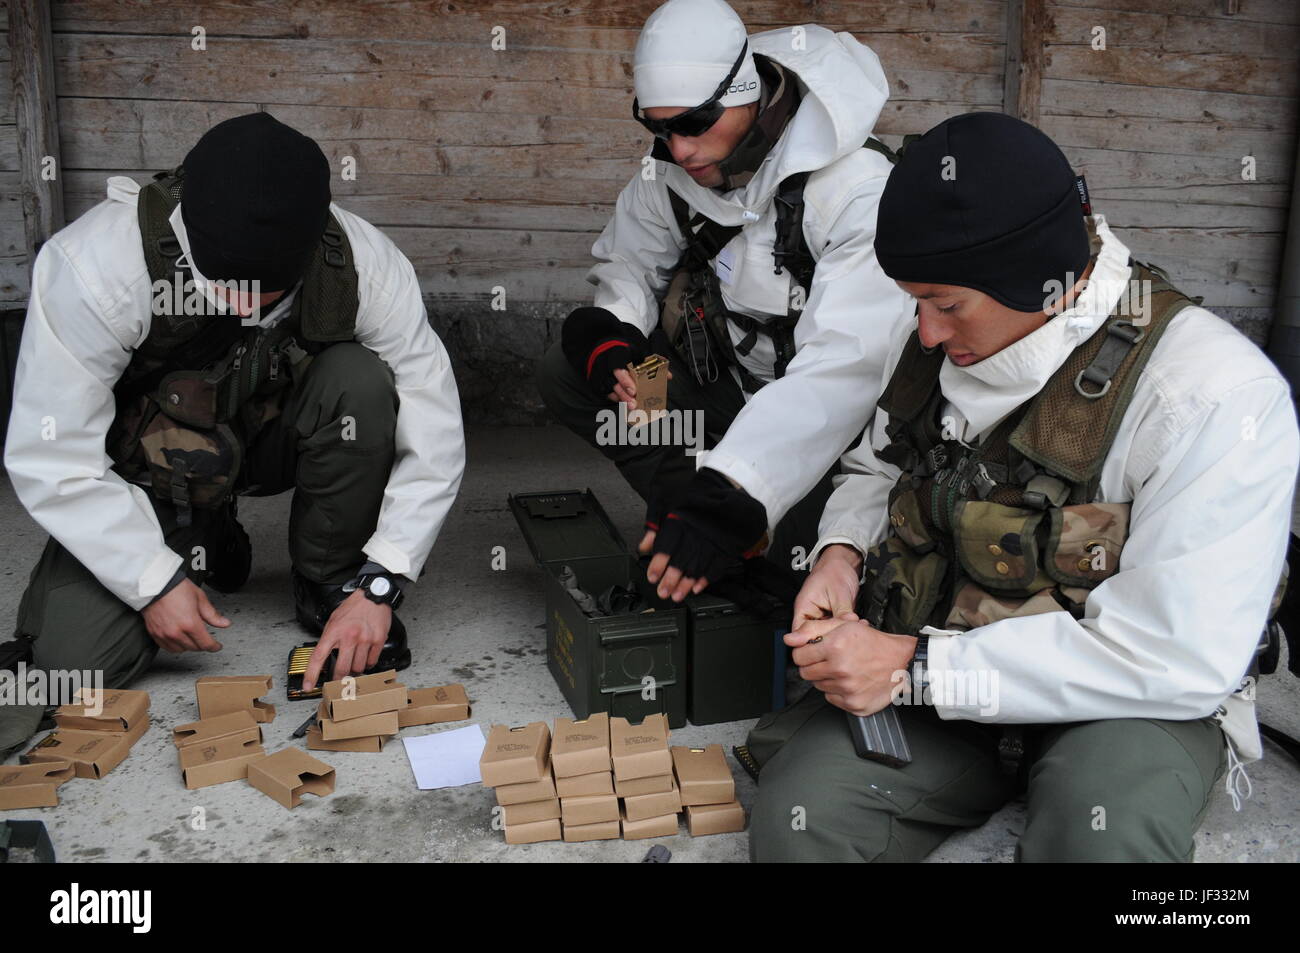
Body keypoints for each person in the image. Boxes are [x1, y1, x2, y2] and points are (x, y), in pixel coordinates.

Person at [746, 112, 1298, 862]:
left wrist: (916, 669)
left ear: (1037, 280)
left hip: (1125, 698)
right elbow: (885, 460)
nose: (927, 332)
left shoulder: (1210, 395)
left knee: (1102, 836)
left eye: (945, 303)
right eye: (915, 301)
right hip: (938, 656)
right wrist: (843, 550)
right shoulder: (936, 336)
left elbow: (1177, 655)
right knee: (803, 818)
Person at [1, 113, 465, 755]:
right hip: (157, 471)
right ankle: (199, 535)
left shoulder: (363, 264)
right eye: (225, 286)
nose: (245, 308)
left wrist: (382, 581)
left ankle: (330, 576)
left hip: (277, 439)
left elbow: (435, 423)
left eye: (266, 291)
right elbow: (51, 454)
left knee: (360, 380)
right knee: (69, 667)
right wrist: (151, 579)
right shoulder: (94, 268)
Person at [537, 0, 911, 602]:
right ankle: (682, 481)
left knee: (794, 566)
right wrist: (614, 339)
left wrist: (738, 493)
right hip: (720, 382)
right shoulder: (672, 170)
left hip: (832, 422)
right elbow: (630, 267)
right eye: (659, 128)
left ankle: (720, 506)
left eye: (692, 123)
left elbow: (844, 371)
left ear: (747, 93)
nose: (679, 150)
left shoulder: (855, 188)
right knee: (569, 373)